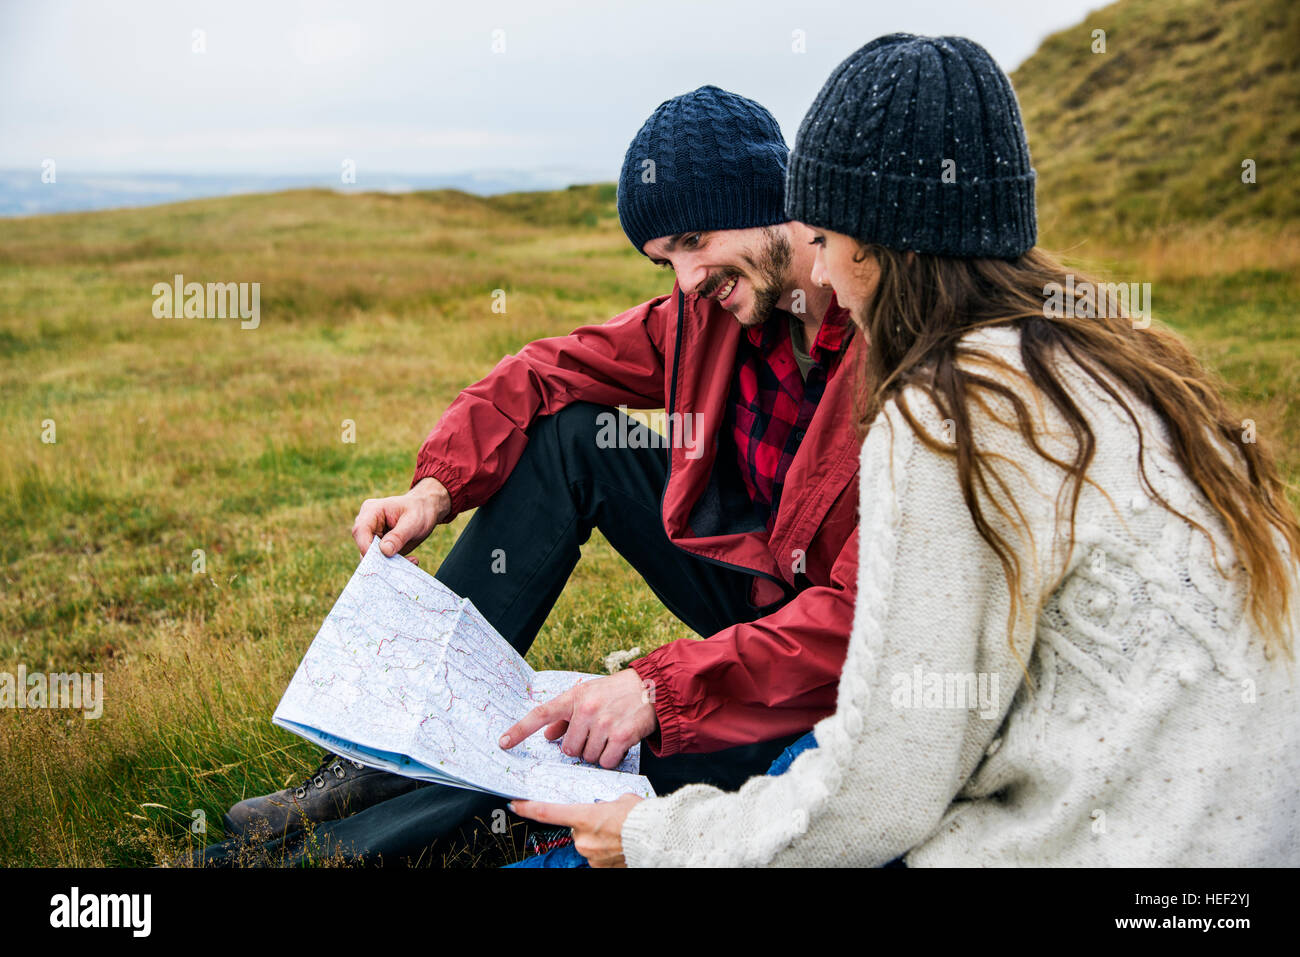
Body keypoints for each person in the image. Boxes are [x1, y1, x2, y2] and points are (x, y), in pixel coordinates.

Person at [511, 33, 1300, 867]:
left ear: (872, 242)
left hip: (1089, 847)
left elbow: (880, 794)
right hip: (1246, 839)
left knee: (695, 813)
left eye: (818, 237)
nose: (815, 272)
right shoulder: (1115, 359)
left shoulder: (946, 411)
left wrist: (647, 836)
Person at [196, 86, 866, 866]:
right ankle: (377, 756)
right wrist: (434, 489)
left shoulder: (896, 346)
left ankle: (327, 851)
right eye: (663, 260)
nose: (684, 279)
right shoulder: (708, 312)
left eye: (693, 238)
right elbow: (543, 370)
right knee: (574, 437)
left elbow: (864, 618)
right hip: (750, 587)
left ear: (770, 200)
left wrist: (661, 687)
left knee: (594, 744)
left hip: (831, 651)